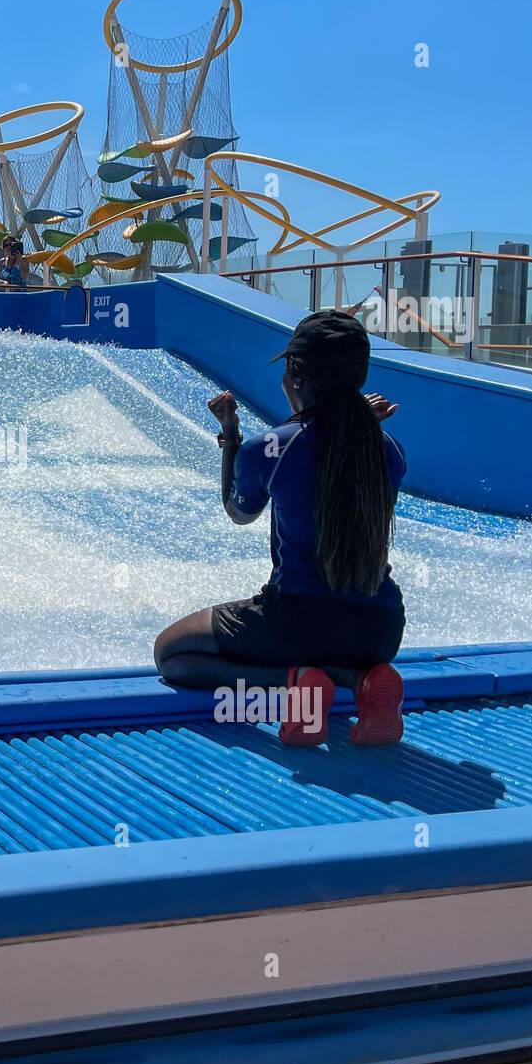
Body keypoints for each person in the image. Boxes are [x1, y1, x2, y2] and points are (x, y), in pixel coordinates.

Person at [153, 310, 407, 748]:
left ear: (294, 375)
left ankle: (297, 685)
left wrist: (230, 436)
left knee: (172, 653)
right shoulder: (388, 451)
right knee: (337, 638)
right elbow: (340, 469)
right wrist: (360, 424)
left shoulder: (268, 448)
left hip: (295, 623)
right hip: (380, 632)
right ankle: (362, 678)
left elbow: (239, 511)